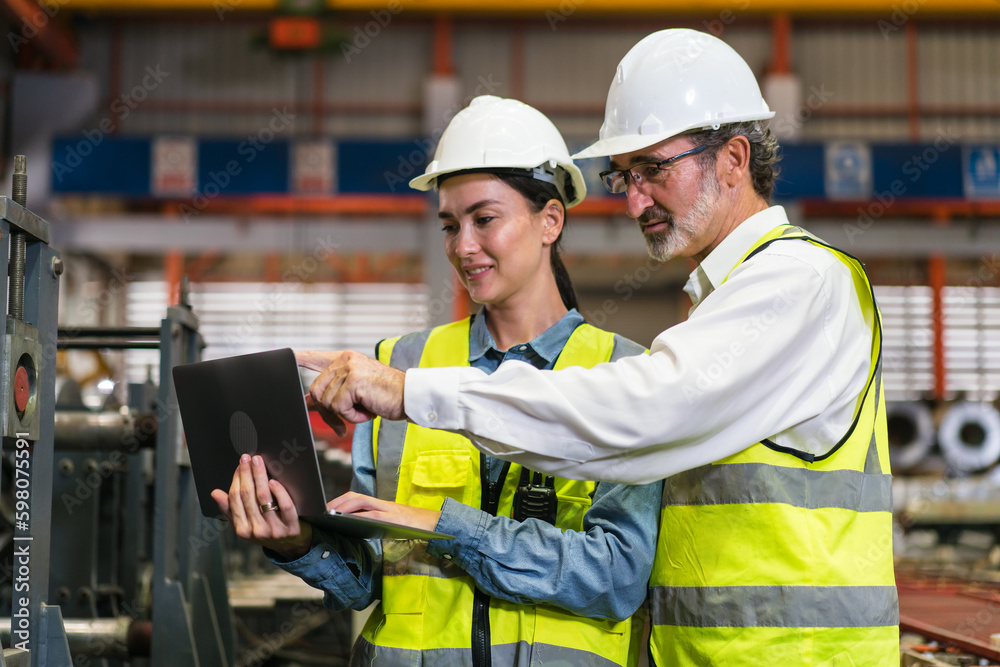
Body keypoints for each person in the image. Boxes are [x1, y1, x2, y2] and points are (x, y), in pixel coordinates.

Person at [298, 29, 899, 666]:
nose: (634, 201)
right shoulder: (720, 304)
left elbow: (644, 413)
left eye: (653, 170)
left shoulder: (801, 281)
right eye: (624, 176)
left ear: (733, 159)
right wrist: (298, 538)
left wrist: (408, 392)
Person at [216, 95, 662, 666]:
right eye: (450, 226)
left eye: (484, 219)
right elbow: (370, 578)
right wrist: (298, 542)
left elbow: (615, 578)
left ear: (550, 220)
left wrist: (444, 528)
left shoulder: (626, 374)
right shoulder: (399, 363)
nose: (462, 247)